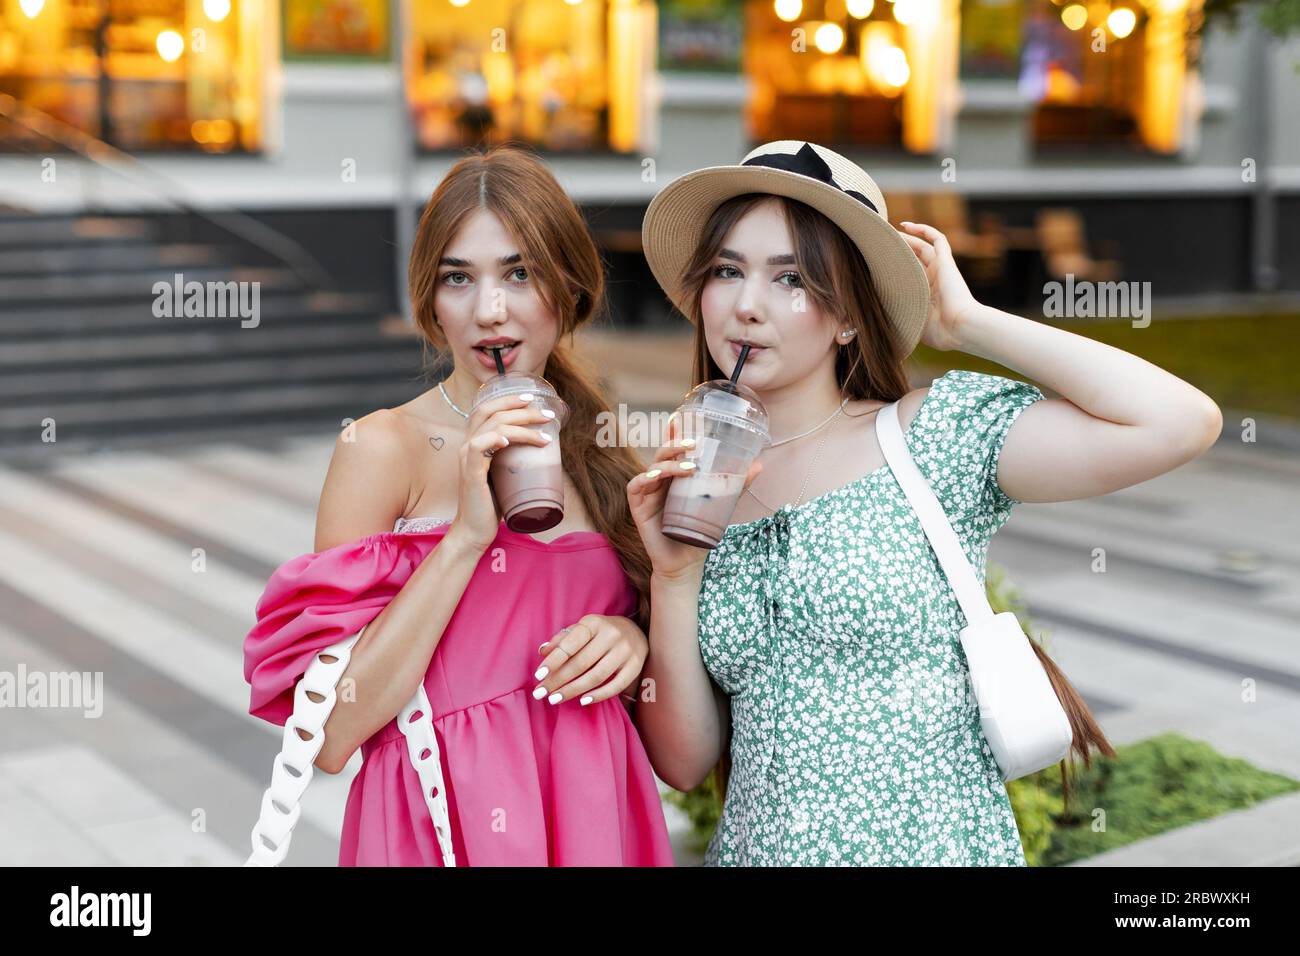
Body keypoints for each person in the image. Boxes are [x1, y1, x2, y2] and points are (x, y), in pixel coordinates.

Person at [627, 140, 1223, 866]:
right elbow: (685, 765)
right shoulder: (688, 484)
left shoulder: (931, 437)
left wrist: (970, 324)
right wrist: (673, 577)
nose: (746, 305)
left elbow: (1179, 421)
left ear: (849, 317)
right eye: (727, 271)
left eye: (791, 278)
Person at [243, 144, 674, 866]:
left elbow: (660, 672)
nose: (490, 310)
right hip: (438, 819)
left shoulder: (599, 445)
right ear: (430, 300)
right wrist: (467, 538)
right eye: (458, 278)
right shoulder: (384, 448)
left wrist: (633, 642)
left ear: (566, 289)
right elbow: (331, 733)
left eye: (519, 272)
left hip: (592, 811)